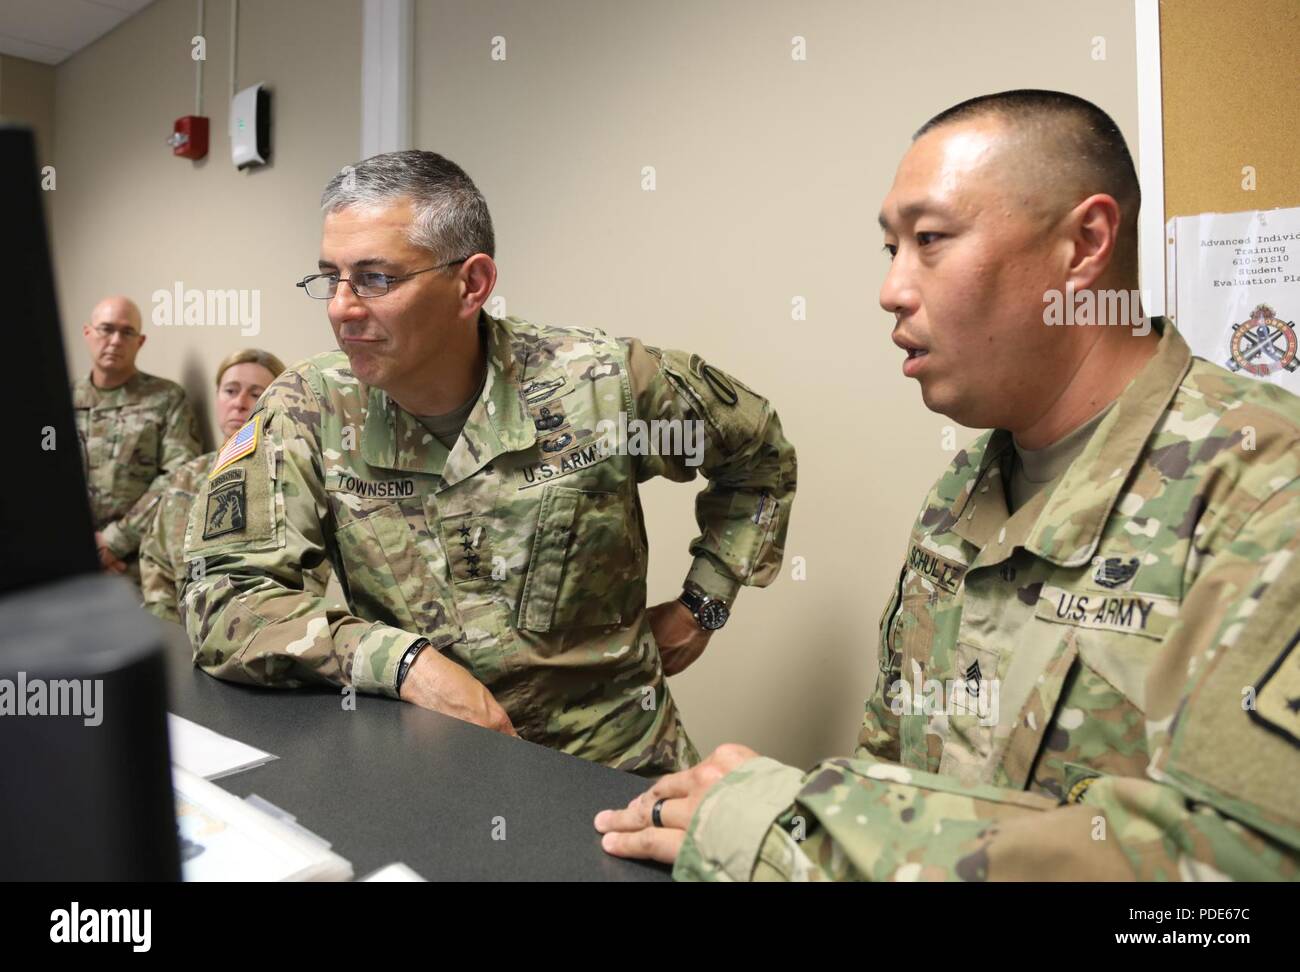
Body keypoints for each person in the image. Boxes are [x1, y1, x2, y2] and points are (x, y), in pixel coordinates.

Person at [595, 89, 1300, 878]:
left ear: (1086, 243)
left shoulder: (1266, 490)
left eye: (930, 240)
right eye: (891, 248)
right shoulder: (963, 490)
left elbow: (1239, 880)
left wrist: (799, 836)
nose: (893, 289)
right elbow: (897, 761)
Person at [179, 150, 797, 776]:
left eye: (374, 278)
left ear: (471, 284)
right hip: (437, 767)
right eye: (330, 277)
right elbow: (222, 596)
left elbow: (759, 454)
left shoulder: (603, 383)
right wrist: (399, 661)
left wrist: (706, 602)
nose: (341, 307)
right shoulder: (310, 407)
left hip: (616, 765)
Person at [141, 348, 331, 622]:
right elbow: (155, 561)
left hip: (258, 645)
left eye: (256, 394)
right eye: (230, 391)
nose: (240, 403)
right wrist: (171, 634)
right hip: (176, 638)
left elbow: (307, 581)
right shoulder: (186, 475)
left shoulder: (296, 481)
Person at [74, 295, 202, 585]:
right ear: (87, 333)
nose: (116, 340)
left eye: (127, 332)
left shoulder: (167, 399)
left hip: (140, 566)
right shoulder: (60, 401)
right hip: (72, 564)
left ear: (140, 341)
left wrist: (113, 543)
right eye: (106, 329)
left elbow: (179, 478)